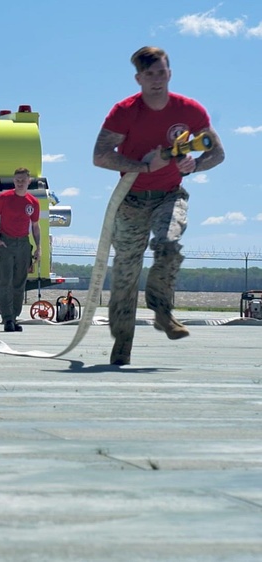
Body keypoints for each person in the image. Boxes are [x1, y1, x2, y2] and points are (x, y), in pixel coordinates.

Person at [93, 46, 225, 366]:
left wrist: (196, 166)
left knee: (168, 242)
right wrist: (143, 166)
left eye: (161, 73)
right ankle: (122, 344)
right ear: (138, 78)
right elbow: (101, 155)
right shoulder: (124, 112)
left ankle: (162, 312)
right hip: (131, 199)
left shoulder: (189, 111)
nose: (156, 80)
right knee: (126, 272)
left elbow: (216, 152)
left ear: (170, 73)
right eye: (149, 75)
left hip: (170, 194)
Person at [0, 167, 42, 332]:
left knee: (19, 282)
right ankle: (7, 319)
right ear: (14, 181)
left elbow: (35, 226)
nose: (20, 183)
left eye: (23, 180)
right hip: (6, 243)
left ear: (29, 181)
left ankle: (15, 316)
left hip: (23, 243)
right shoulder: (4, 197)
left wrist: (38, 248)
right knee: (5, 281)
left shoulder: (33, 202)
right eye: (17, 180)